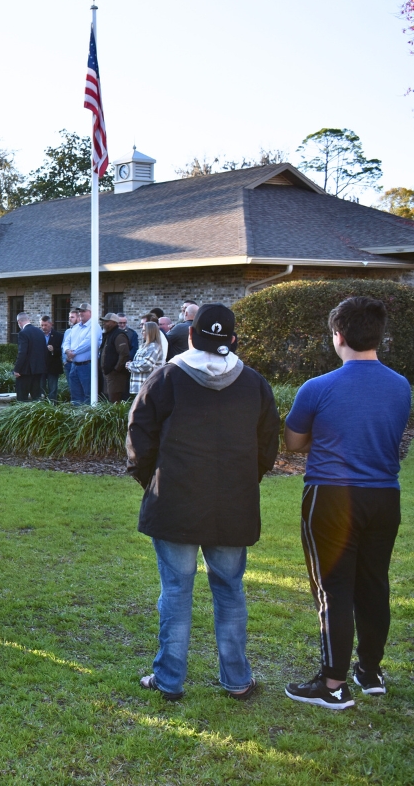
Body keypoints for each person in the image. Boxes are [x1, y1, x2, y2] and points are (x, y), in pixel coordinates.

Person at [127, 303, 279, 701]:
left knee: (176, 590)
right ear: (231, 339)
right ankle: (236, 679)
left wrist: (152, 480)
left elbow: (138, 437)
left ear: (191, 335)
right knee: (230, 589)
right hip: (233, 503)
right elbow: (267, 447)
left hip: (176, 501)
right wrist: (245, 478)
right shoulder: (254, 384)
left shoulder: (166, 378)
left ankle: (170, 680)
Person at [282, 296, 411, 710]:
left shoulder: (317, 388)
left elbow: (294, 442)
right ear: (380, 336)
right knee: (374, 585)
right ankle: (369, 671)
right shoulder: (401, 386)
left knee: (333, 590)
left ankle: (333, 684)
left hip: (332, 496)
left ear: (338, 336)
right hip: (384, 496)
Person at [12, 311, 47, 402]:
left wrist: (17, 369)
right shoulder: (40, 332)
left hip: (25, 372)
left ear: (19, 322)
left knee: (21, 399)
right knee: (36, 399)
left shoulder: (23, 333)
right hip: (38, 371)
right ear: (28, 319)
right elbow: (44, 351)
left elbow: (22, 353)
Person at [65, 303, 95, 404]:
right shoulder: (75, 327)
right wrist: (67, 350)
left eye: (83, 311)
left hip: (86, 365)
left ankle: (86, 417)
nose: (81, 313)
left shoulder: (94, 326)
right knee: (75, 395)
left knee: (87, 394)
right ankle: (77, 417)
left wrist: (74, 352)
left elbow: (88, 342)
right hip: (74, 365)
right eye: (80, 311)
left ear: (90, 312)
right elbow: (66, 341)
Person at [126, 321, 164, 398]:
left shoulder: (154, 347)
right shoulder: (144, 346)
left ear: (150, 332)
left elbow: (146, 364)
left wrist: (130, 365)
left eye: (144, 330)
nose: (141, 332)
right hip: (140, 386)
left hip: (148, 386)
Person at [99, 313, 131, 402]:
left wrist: (116, 369)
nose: (104, 323)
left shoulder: (119, 335)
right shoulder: (108, 335)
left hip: (116, 375)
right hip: (108, 373)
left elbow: (124, 354)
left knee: (115, 400)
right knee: (109, 399)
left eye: (107, 321)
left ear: (113, 322)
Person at [41, 316, 64, 402]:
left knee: (53, 390)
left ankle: (52, 407)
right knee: (40, 389)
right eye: (42, 325)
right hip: (41, 367)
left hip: (53, 367)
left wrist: (54, 350)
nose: (44, 327)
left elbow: (62, 351)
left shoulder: (59, 336)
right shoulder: (38, 335)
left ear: (51, 324)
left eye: (46, 325)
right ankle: (40, 408)